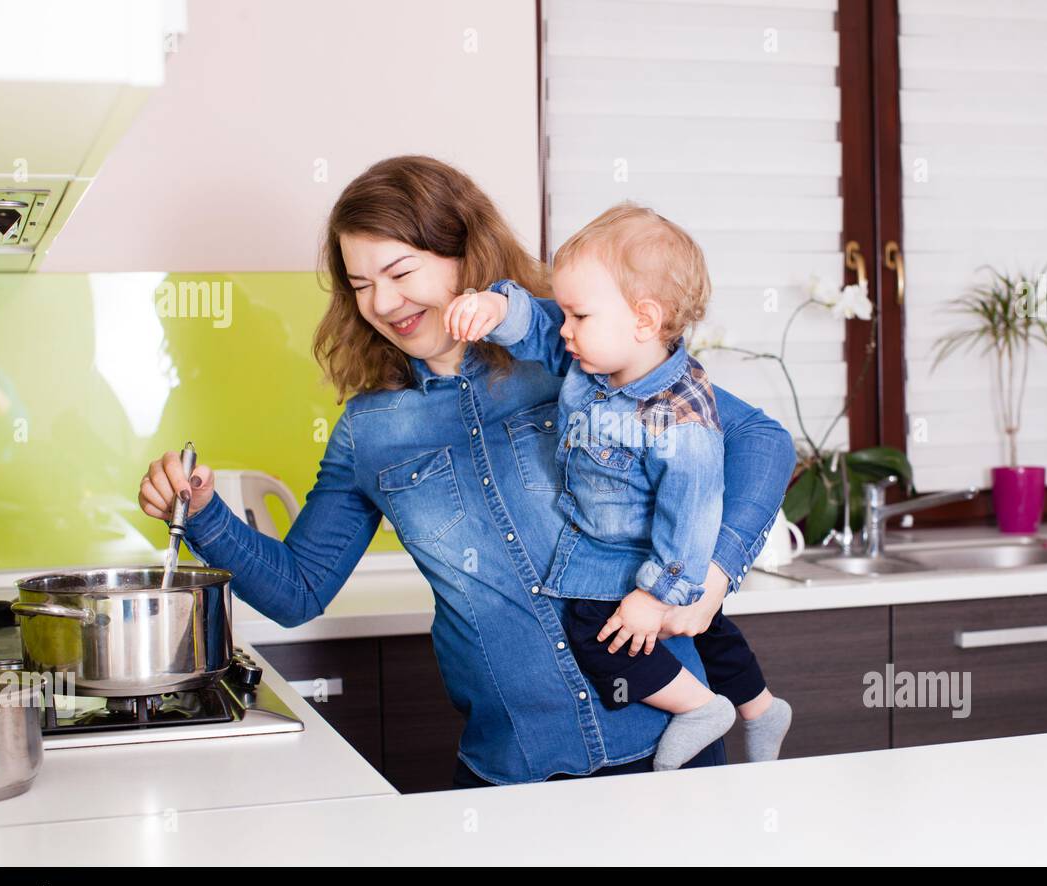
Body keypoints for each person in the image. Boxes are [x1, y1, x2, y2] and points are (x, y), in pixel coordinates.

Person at [138, 156, 796, 788]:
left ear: (465, 254)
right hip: (509, 772)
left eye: (399, 272)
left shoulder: (574, 355)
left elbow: (758, 440)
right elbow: (297, 591)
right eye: (361, 286)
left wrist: (710, 579)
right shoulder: (368, 431)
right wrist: (202, 515)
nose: (383, 302)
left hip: (663, 752)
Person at [445, 202, 792, 770]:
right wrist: (494, 307)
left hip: (633, 556)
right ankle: (760, 707)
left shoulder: (683, 420)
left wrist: (657, 595)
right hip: (626, 540)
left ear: (644, 320)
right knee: (710, 631)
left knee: (600, 634)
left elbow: (693, 516)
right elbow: (535, 327)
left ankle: (701, 708)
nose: (565, 330)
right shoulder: (594, 361)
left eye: (578, 316)